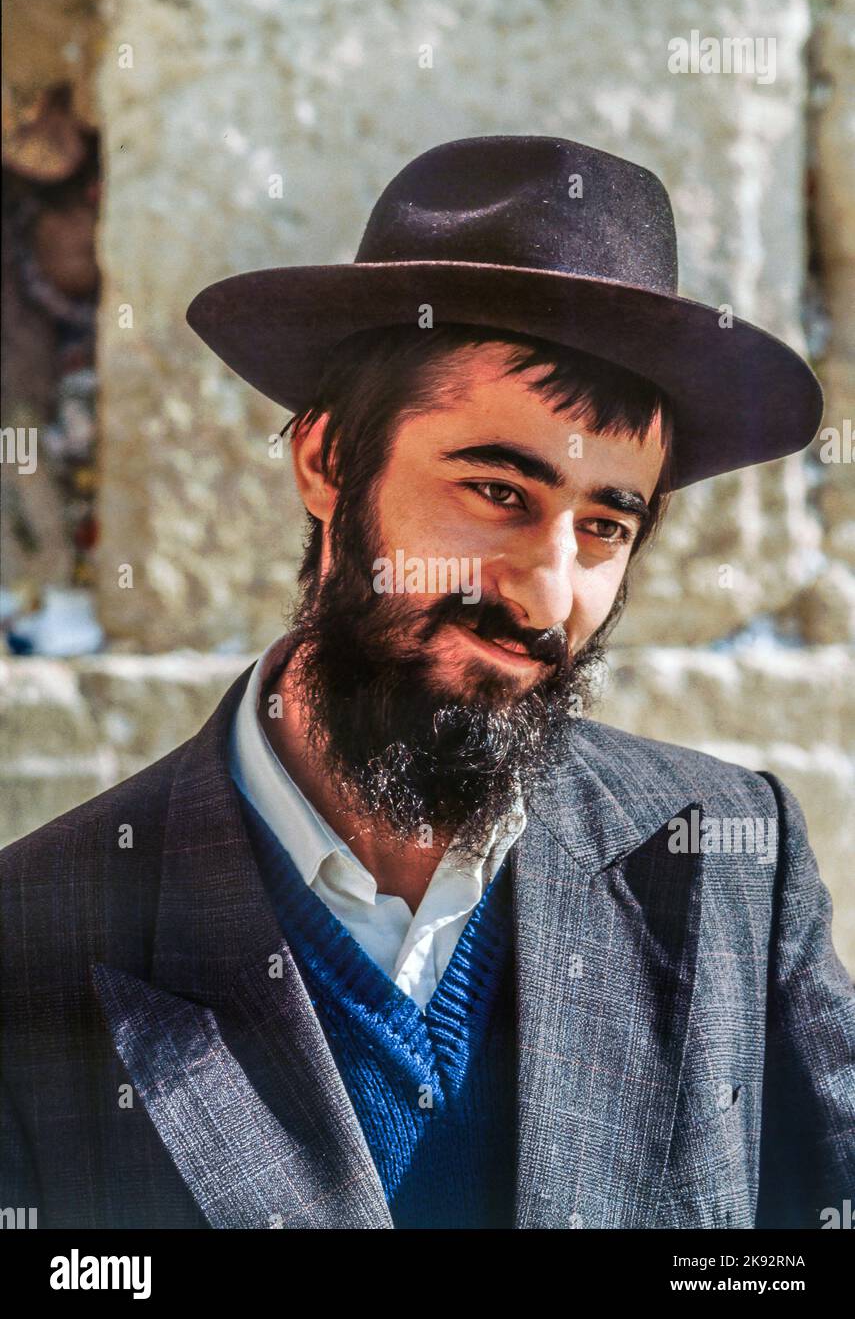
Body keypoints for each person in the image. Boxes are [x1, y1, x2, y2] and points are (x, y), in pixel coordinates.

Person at [2, 135, 853, 1230]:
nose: (546, 597)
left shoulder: (733, 869)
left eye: (604, 526)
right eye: (498, 491)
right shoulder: (33, 943)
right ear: (325, 462)